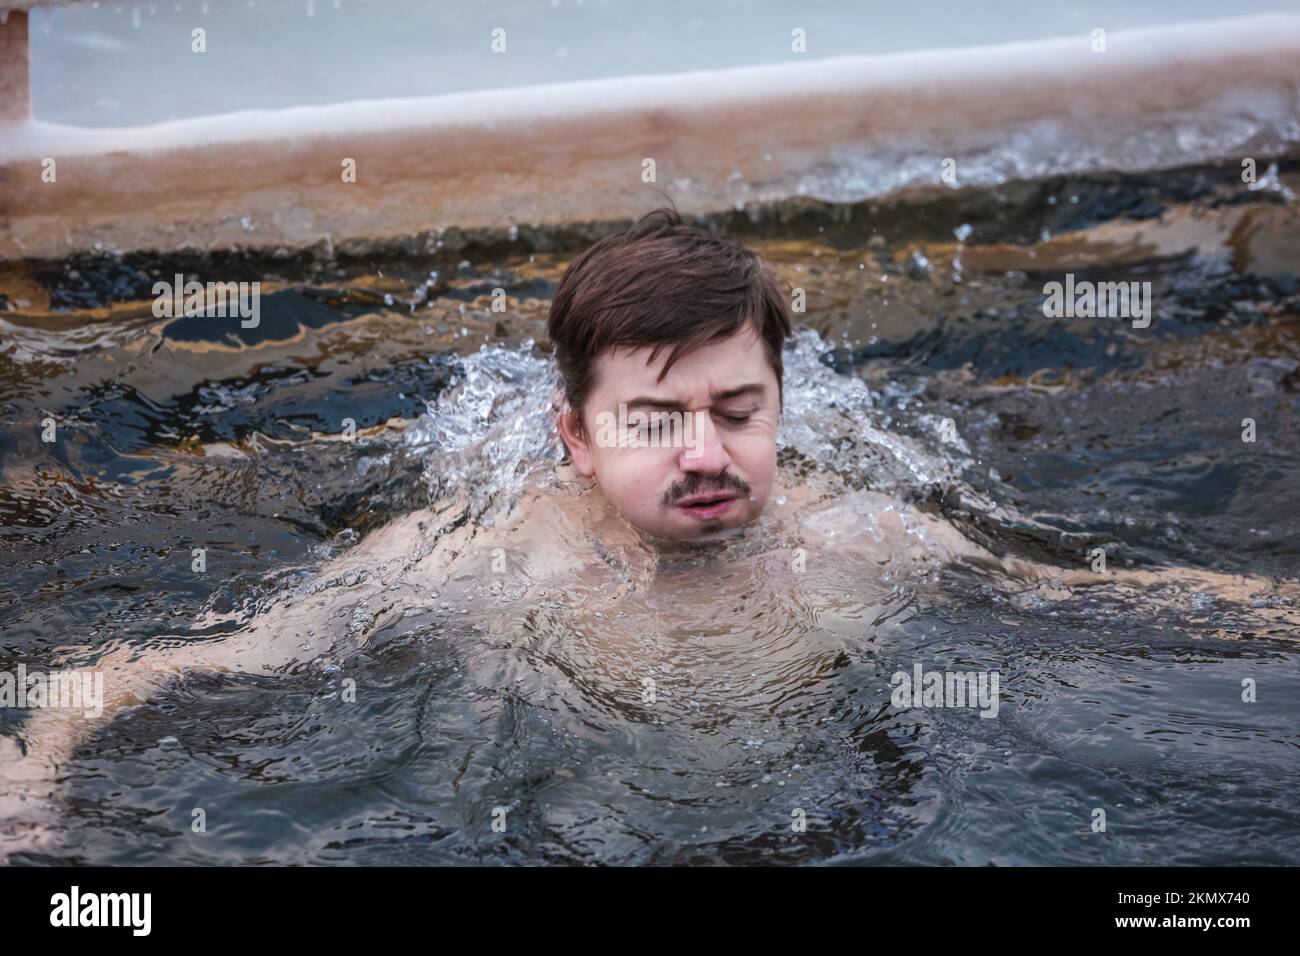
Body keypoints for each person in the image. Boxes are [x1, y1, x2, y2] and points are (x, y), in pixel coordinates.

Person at [3, 207, 1295, 859]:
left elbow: (1110, 607)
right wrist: (32, 782)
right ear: (571, 435)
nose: (705, 454)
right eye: (654, 421)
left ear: (785, 403)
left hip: (846, 825)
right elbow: (175, 666)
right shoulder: (475, 562)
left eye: (740, 412)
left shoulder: (871, 541)